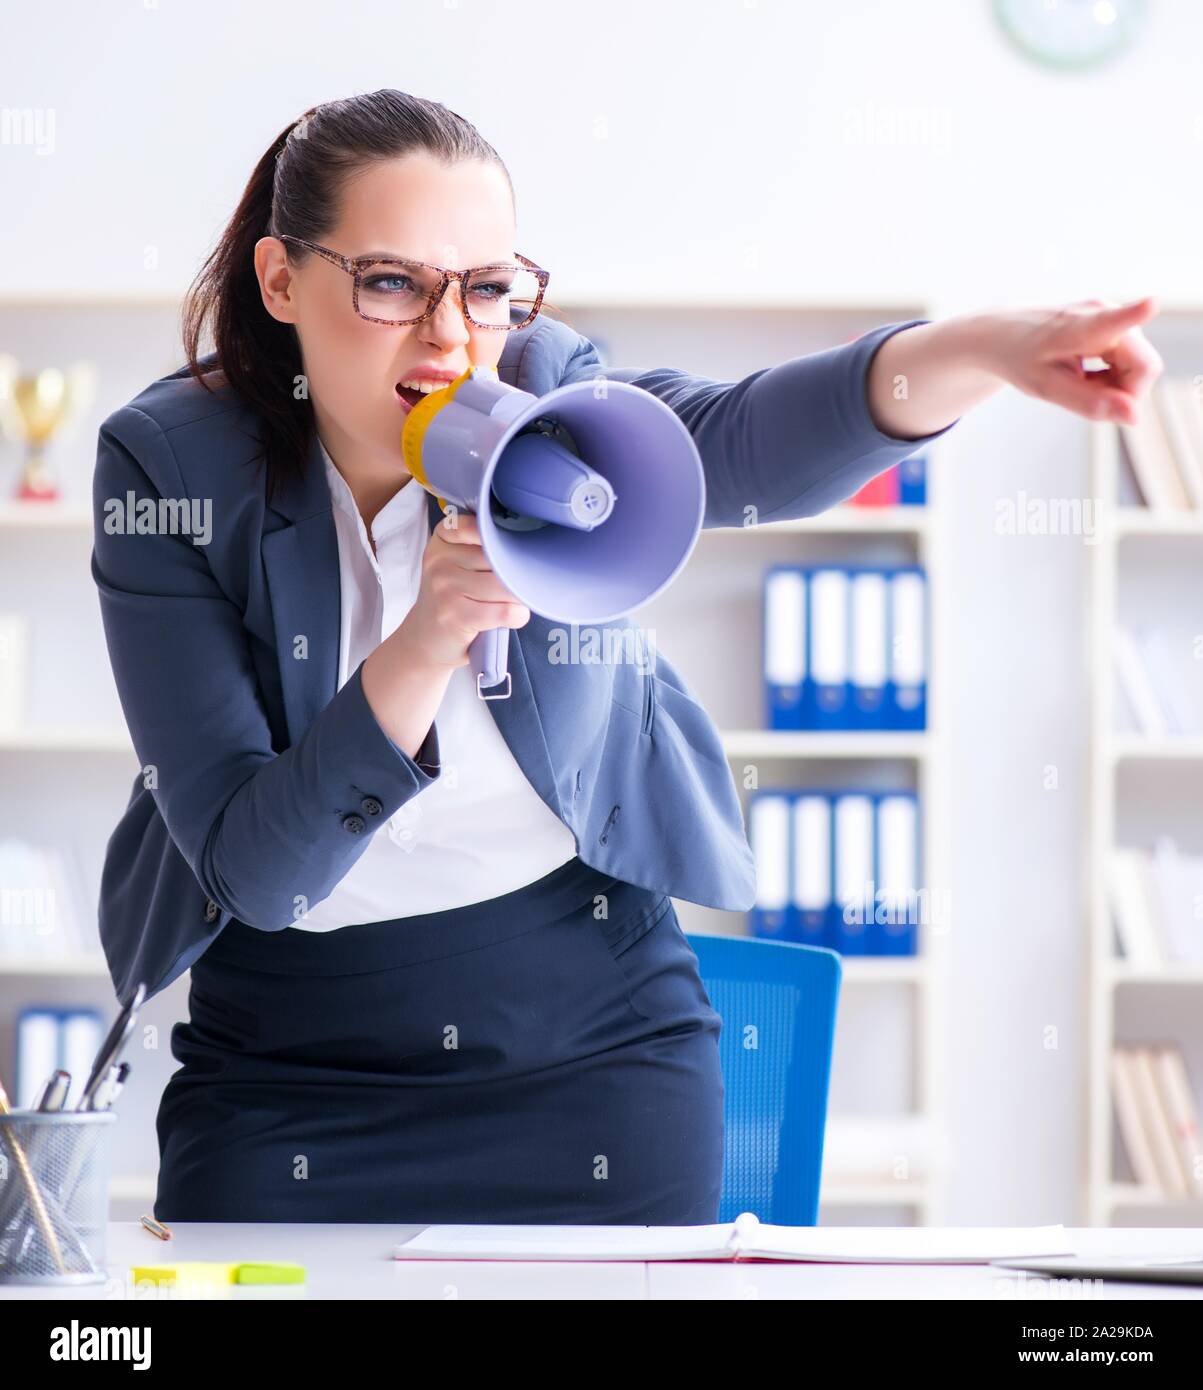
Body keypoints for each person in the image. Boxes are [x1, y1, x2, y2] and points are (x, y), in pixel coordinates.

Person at [91, 88, 1161, 1224]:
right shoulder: (172, 470)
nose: (453, 338)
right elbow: (257, 872)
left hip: (594, 1055)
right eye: (392, 283)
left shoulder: (550, 391)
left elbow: (744, 442)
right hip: (288, 1080)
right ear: (280, 281)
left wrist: (983, 348)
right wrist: (424, 642)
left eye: (489, 288)